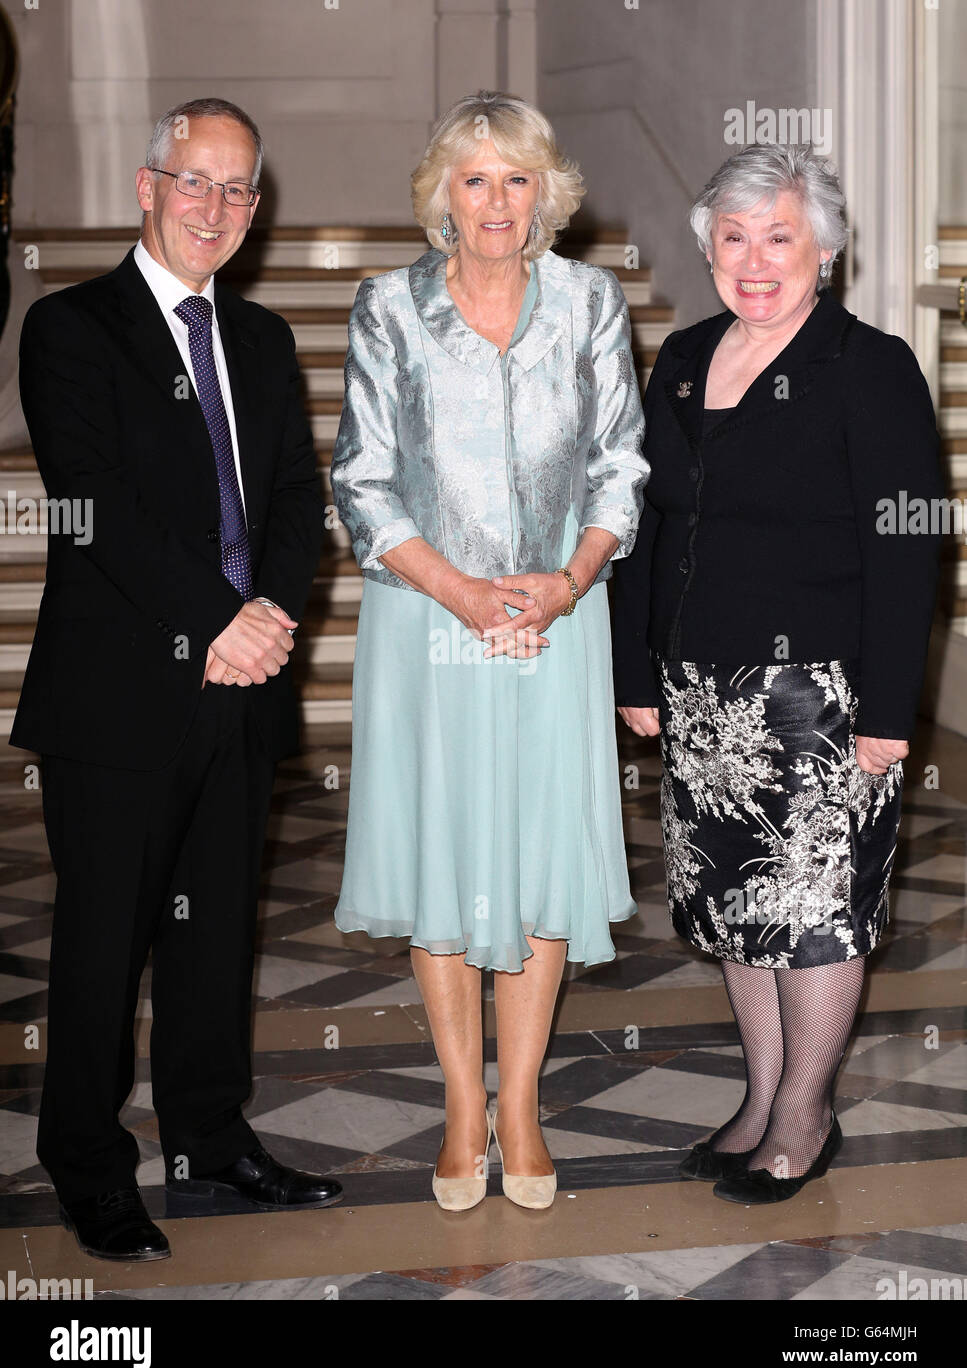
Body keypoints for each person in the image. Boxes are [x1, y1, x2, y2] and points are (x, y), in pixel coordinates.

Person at [11, 97, 341, 1261]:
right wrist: (216, 619)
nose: (214, 207)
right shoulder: (69, 328)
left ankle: (209, 1137)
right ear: (146, 188)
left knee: (215, 938)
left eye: (237, 188)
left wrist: (266, 620)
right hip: (118, 696)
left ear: (256, 210)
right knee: (105, 941)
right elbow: (93, 506)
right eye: (192, 181)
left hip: (239, 690)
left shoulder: (257, 340)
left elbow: (299, 501)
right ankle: (88, 1166)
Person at [331, 90, 647, 1212]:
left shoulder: (589, 302)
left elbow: (620, 465)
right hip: (429, 622)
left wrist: (566, 582)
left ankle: (523, 1106)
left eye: (516, 177)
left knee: (537, 856)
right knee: (445, 852)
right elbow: (360, 483)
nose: (496, 201)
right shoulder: (388, 309)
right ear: (441, 197)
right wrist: (463, 593)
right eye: (474, 179)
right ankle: (465, 1106)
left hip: (558, 620)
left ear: (545, 191)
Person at [612, 142, 943, 1204]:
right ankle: (758, 1098)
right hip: (701, 689)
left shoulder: (869, 365)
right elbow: (646, 525)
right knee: (732, 909)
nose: (754, 261)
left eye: (779, 237)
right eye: (733, 237)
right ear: (708, 246)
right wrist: (635, 668)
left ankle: (804, 1112)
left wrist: (888, 713)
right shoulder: (681, 354)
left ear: (826, 250)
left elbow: (907, 543)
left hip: (822, 697)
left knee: (815, 915)